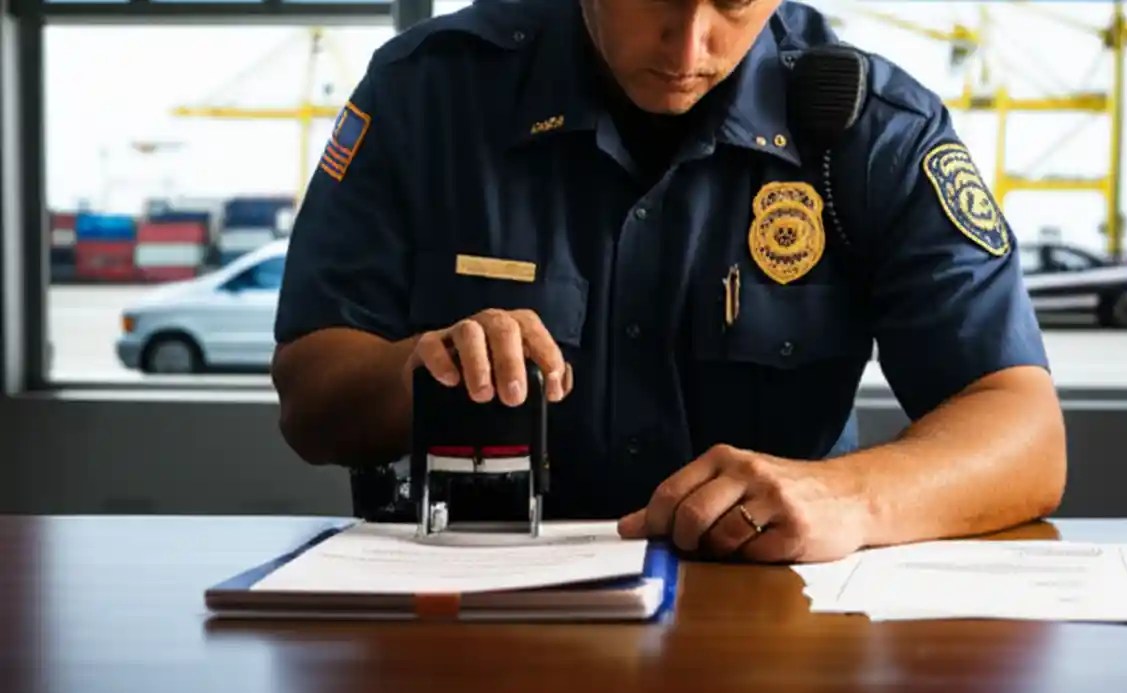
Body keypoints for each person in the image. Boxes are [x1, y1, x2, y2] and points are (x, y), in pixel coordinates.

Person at [271, 0, 1067, 563]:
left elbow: (1025, 432)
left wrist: (851, 498)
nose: (689, 49)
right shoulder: (430, 92)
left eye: (732, 2)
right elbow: (311, 400)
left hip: (771, 629)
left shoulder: (872, 129)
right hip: (475, 615)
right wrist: (423, 368)